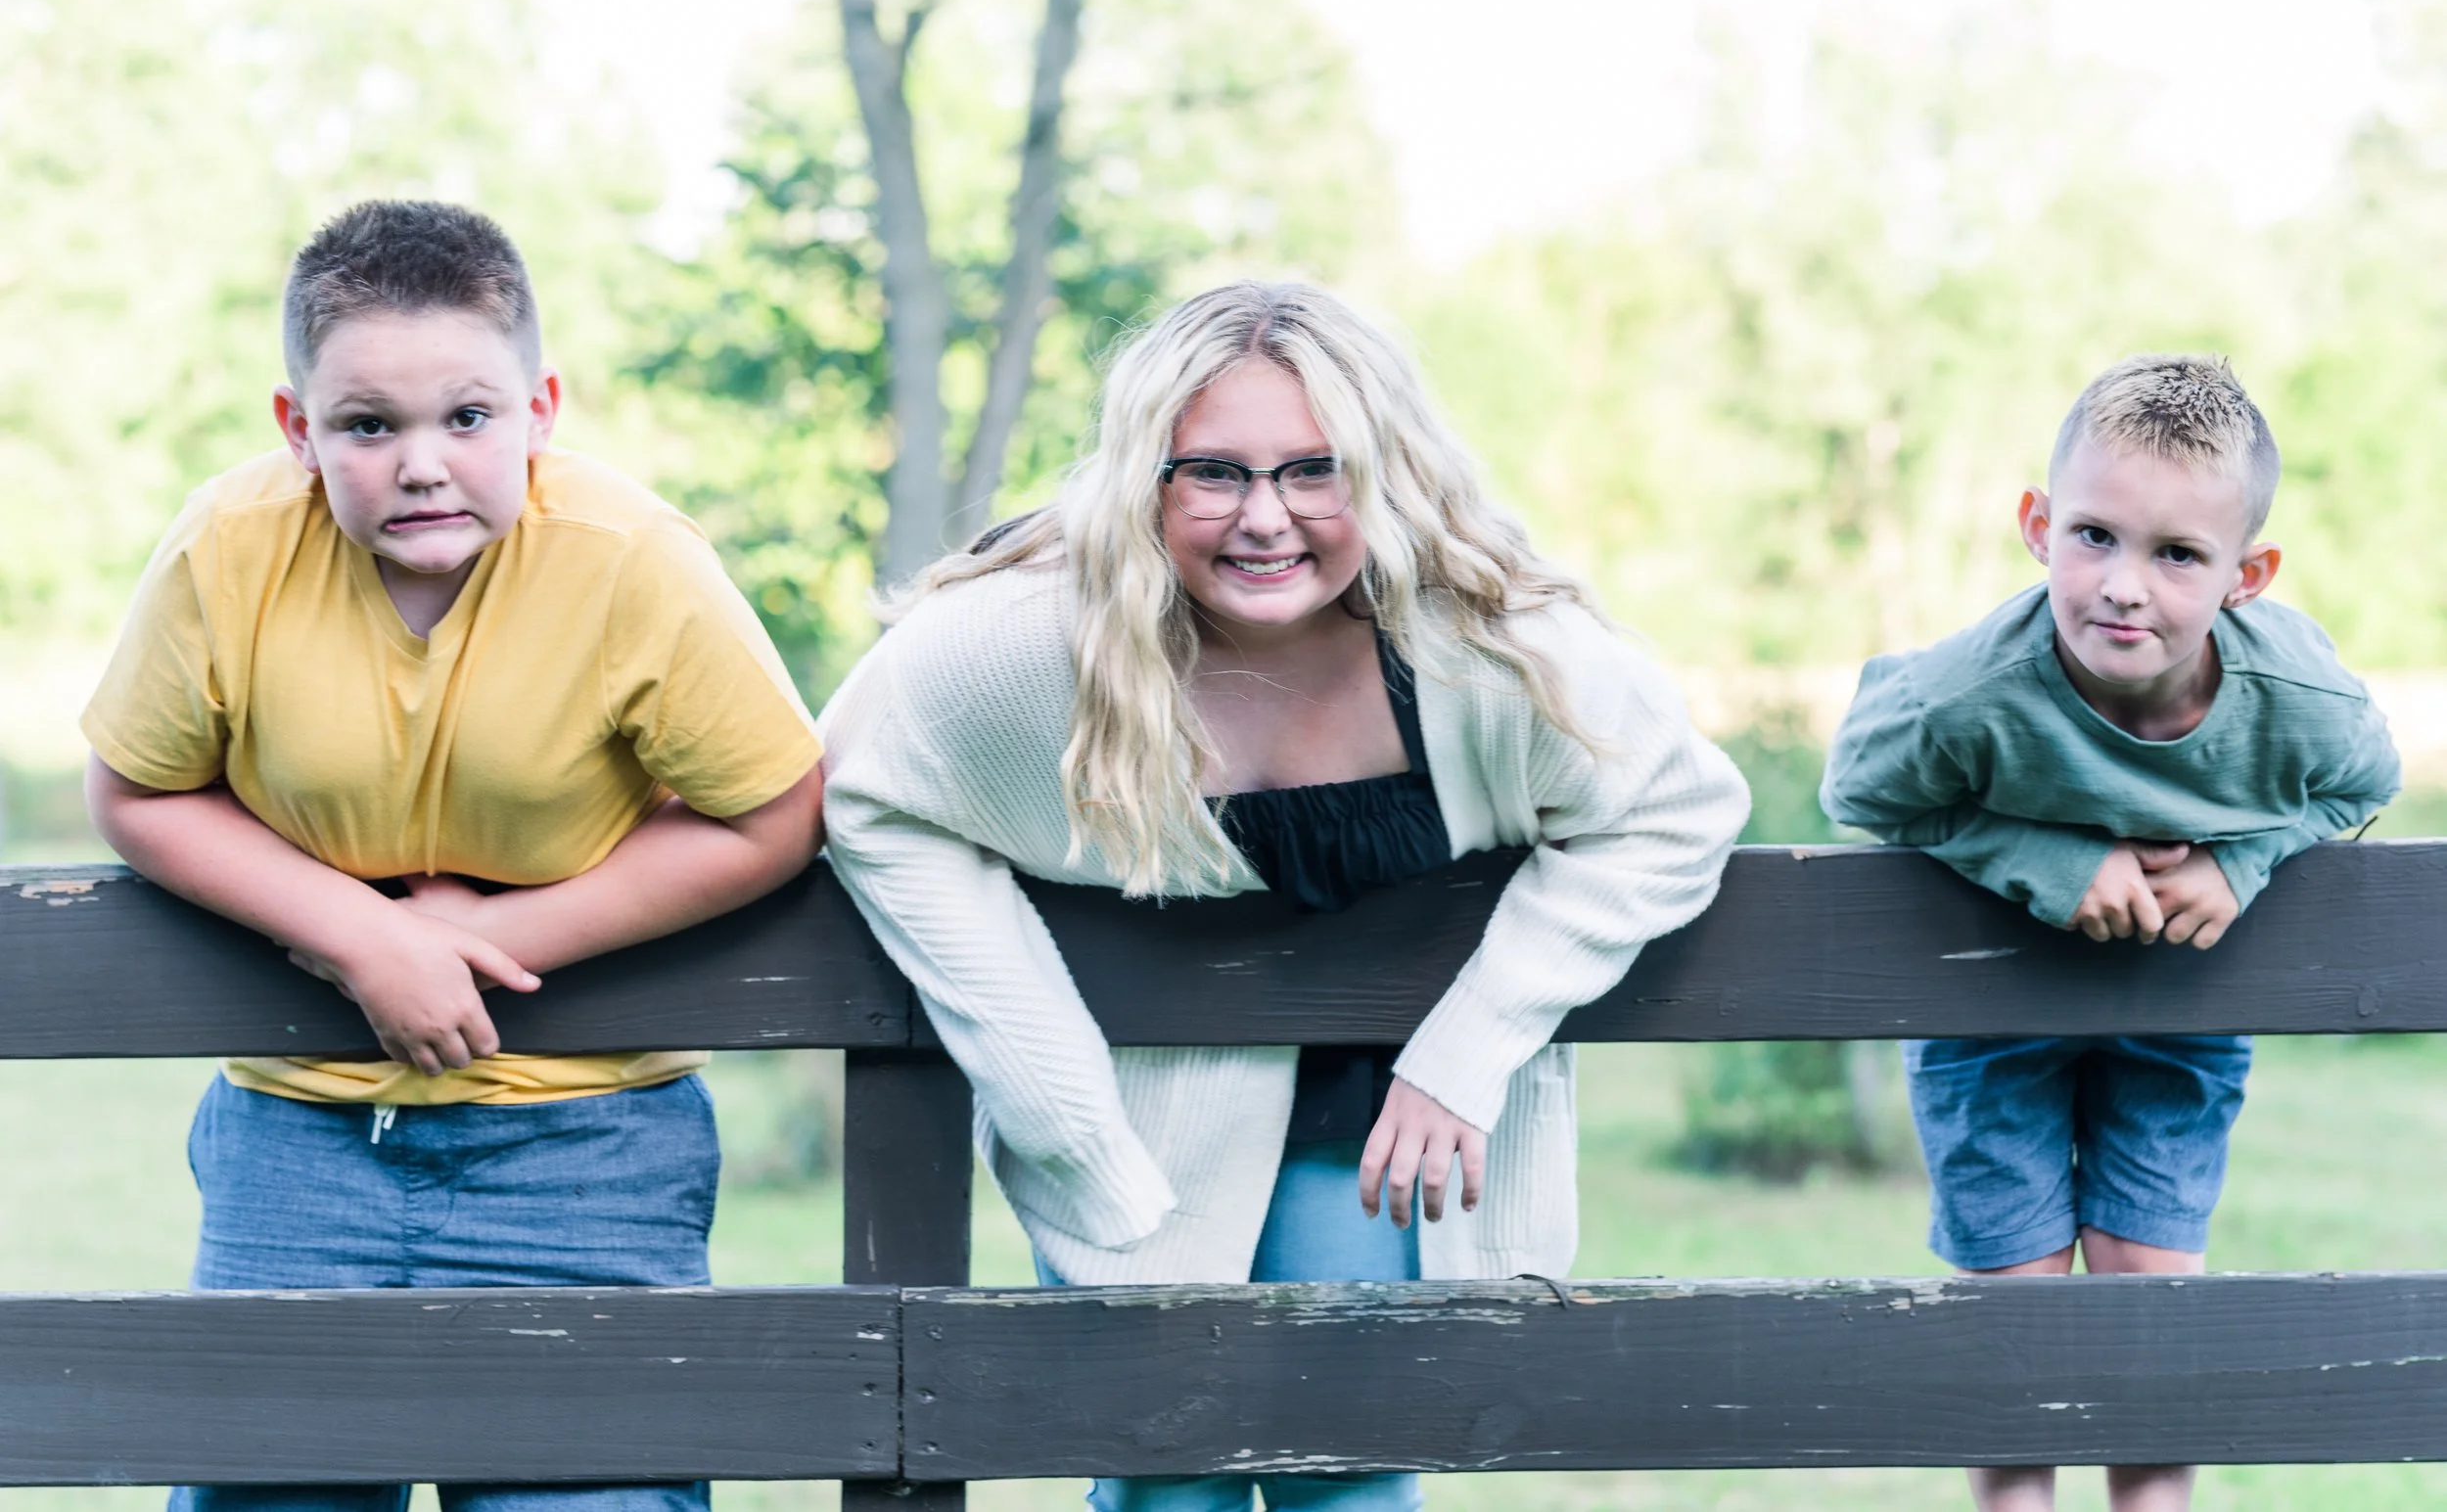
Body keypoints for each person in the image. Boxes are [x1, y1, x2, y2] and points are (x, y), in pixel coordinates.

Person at [819, 280, 1750, 1512]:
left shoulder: (1485, 646)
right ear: (1143, 481)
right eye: (1213, 473)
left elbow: (1677, 808)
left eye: (1317, 471)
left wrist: (1467, 1052)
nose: (1266, 519)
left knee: (1347, 1465)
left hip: (1380, 1122)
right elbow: (860, 791)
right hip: (1142, 1113)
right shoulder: (1031, 646)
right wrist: (1055, 1103)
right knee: (1165, 1478)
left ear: (1386, 473)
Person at [82, 200, 825, 1512]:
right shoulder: (228, 547)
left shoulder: (631, 563)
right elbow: (141, 787)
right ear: (299, 429)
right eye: (369, 425)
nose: (423, 462)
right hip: (299, 1138)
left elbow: (773, 808)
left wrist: (487, 948)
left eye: (468, 418)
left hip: (588, 1145)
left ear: (540, 409)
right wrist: (364, 938)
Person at [1820, 353, 2399, 1512]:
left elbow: (2361, 783)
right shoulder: (1968, 694)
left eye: (2177, 554)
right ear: (2038, 526)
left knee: (2148, 1297)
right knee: (2017, 1317)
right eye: (2093, 536)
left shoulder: (2303, 703)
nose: (2123, 585)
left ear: (2248, 575)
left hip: (2176, 1011)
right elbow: (1860, 787)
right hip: (1989, 1014)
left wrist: (2242, 860)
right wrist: (2042, 860)